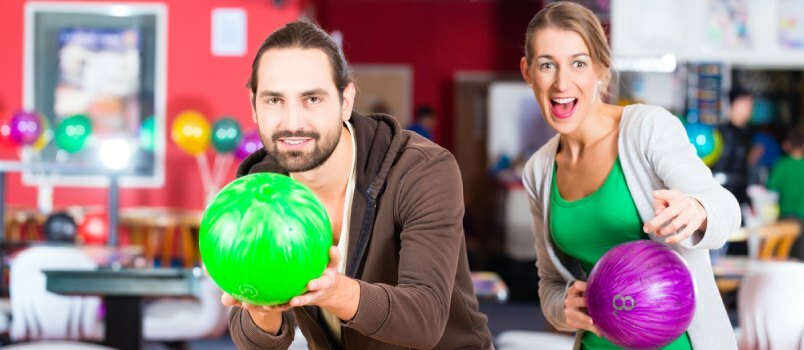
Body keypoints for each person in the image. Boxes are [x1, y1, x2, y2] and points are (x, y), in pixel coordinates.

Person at [223, 21, 493, 349]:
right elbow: (254, 339)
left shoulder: (421, 170)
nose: (292, 122)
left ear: (346, 100)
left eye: (312, 99)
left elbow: (425, 319)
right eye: (274, 100)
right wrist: (262, 309)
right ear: (253, 105)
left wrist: (336, 292)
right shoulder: (261, 189)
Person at [518, 2, 739, 349]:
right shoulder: (538, 171)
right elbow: (550, 283)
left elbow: (725, 209)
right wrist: (564, 309)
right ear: (528, 72)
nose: (562, 82)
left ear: (602, 71)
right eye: (547, 65)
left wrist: (697, 209)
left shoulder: (647, 129)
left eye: (578, 63)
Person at [712, 88, 754, 206]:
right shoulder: (720, 133)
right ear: (733, 104)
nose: (748, 110)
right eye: (744, 104)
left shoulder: (747, 133)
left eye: (750, 105)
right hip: (721, 196)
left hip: (739, 197)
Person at [767, 127, 804, 259]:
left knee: (784, 254)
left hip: (786, 215)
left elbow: (771, 187)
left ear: (788, 144)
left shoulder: (781, 165)